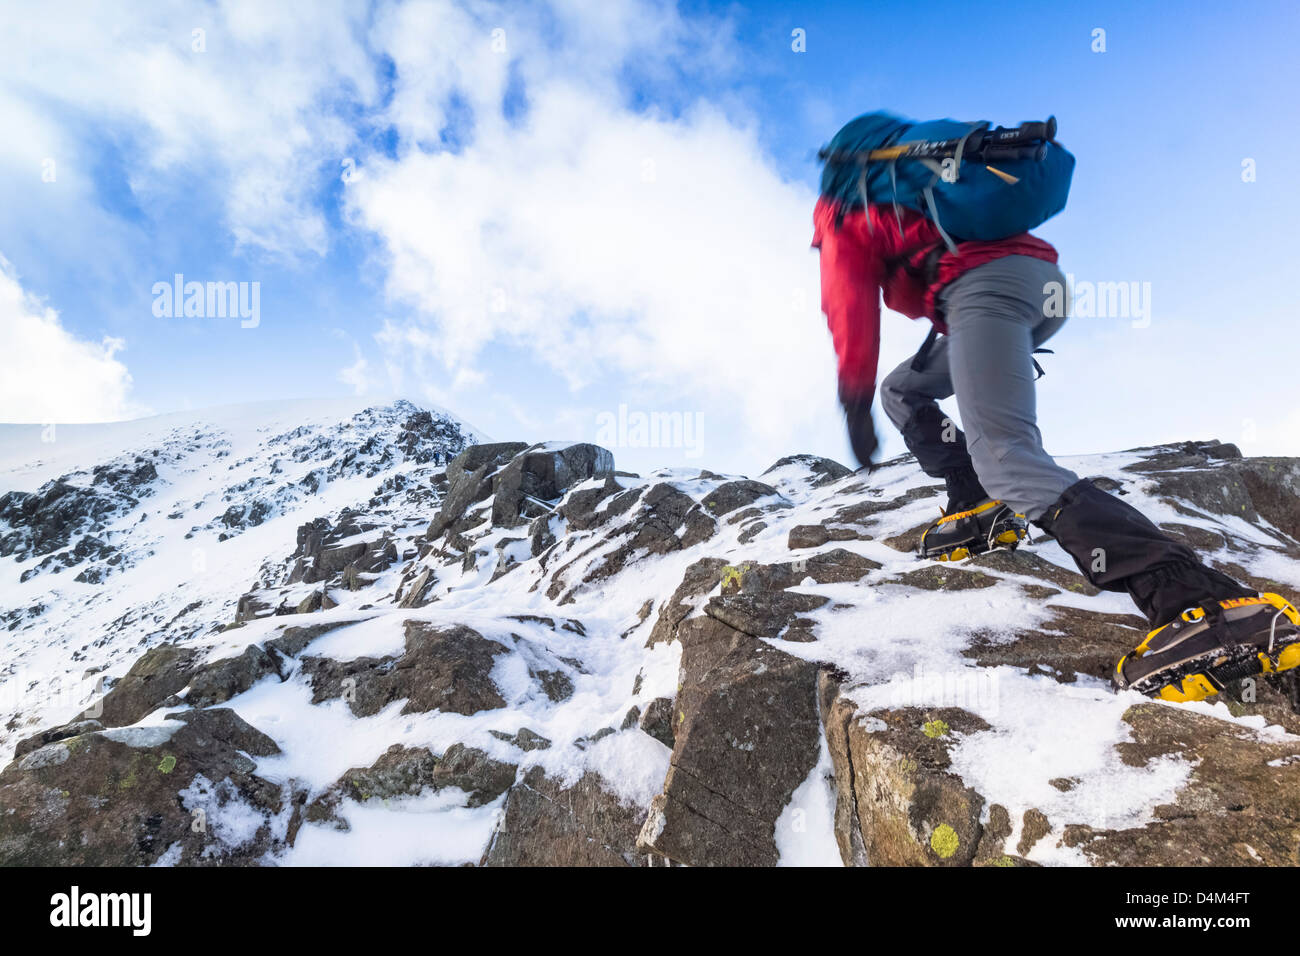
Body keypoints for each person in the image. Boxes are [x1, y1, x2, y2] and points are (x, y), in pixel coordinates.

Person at [812, 111, 1300, 703]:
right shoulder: (917, 163)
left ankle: (1204, 606)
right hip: (1038, 285)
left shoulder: (844, 209)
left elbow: (848, 303)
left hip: (983, 289)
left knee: (1006, 453)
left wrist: (853, 398)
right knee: (905, 387)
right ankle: (979, 502)